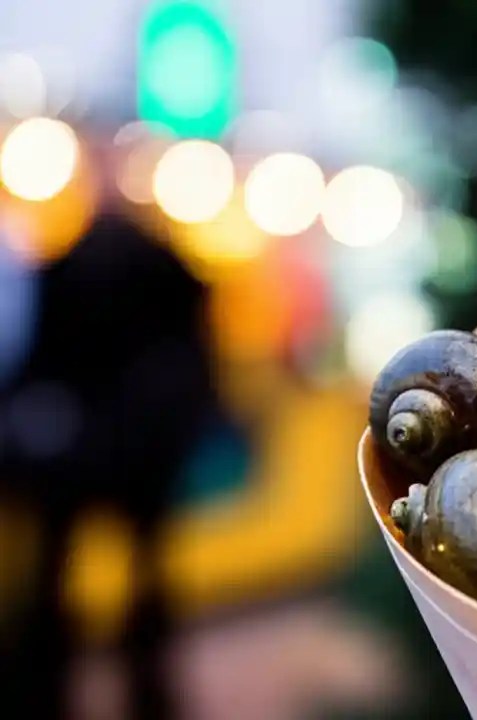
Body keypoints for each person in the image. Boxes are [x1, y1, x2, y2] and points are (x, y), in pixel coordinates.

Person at [0, 136, 215, 720]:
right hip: (138, 459)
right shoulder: (173, 271)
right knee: (143, 583)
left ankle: (42, 695)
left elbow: (37, 361)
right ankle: (150, 697)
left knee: (54, 581)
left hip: (72, 457)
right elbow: (197, 366)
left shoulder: (64, 266)